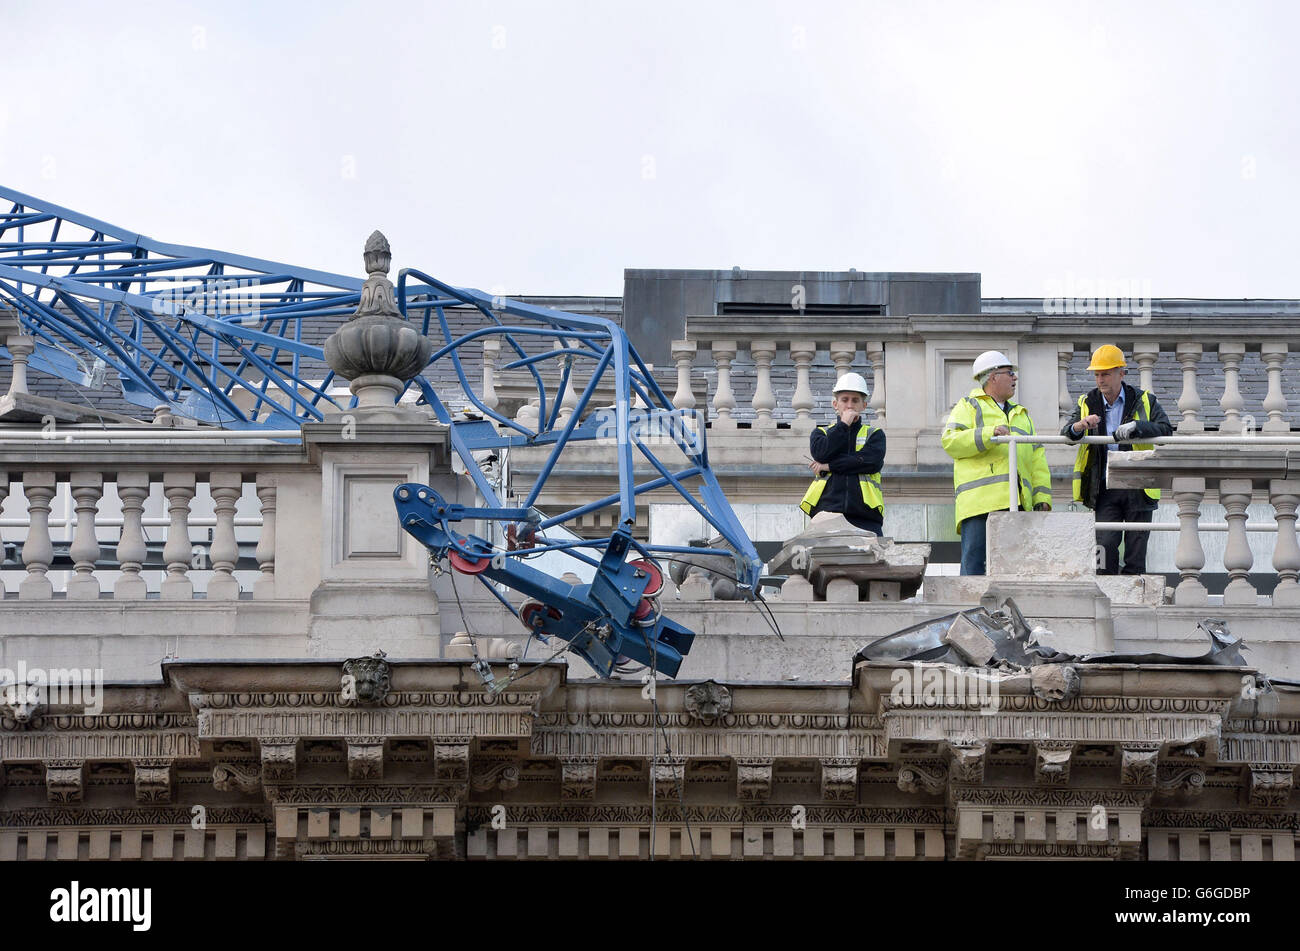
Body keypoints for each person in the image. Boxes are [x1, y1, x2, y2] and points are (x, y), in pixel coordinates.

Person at [1062, 344, 1173, 575]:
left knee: (1136, 548)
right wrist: (1080, 426)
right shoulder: (1087, 401)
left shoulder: (1144, 400)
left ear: (1121, 373)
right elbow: (1067, 434)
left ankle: (1134, 599)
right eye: (1097, 374)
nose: (1100, 380)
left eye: (1106, 374)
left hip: (1138, 483)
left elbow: (1165, 430)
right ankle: (1105, 596)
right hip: (1103, 485)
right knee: (1105, 544)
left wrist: (1139, 427)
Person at [941, 350, 1052, 575]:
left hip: (1018, 505)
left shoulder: (1022, 415)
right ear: (993, 377)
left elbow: (1037, 458)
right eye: (1010, 373)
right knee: (975, 568)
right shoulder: (969, 406)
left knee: (1016, 568)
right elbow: (950, 441)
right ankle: (970, 610)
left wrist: (1042, 497)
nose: (1015, 378)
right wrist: (989, 434)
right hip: (980, 505)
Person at [799, 372, 885, 535]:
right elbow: (821, 454)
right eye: (845, 400)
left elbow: (869, 462)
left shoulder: (875, 434)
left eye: (855, 400)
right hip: (827, 513)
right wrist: (844, 425)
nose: (850, 405)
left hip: (865, 516)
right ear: (835, 404)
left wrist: (829, 465)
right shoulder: (821, 433)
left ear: (863, 406)